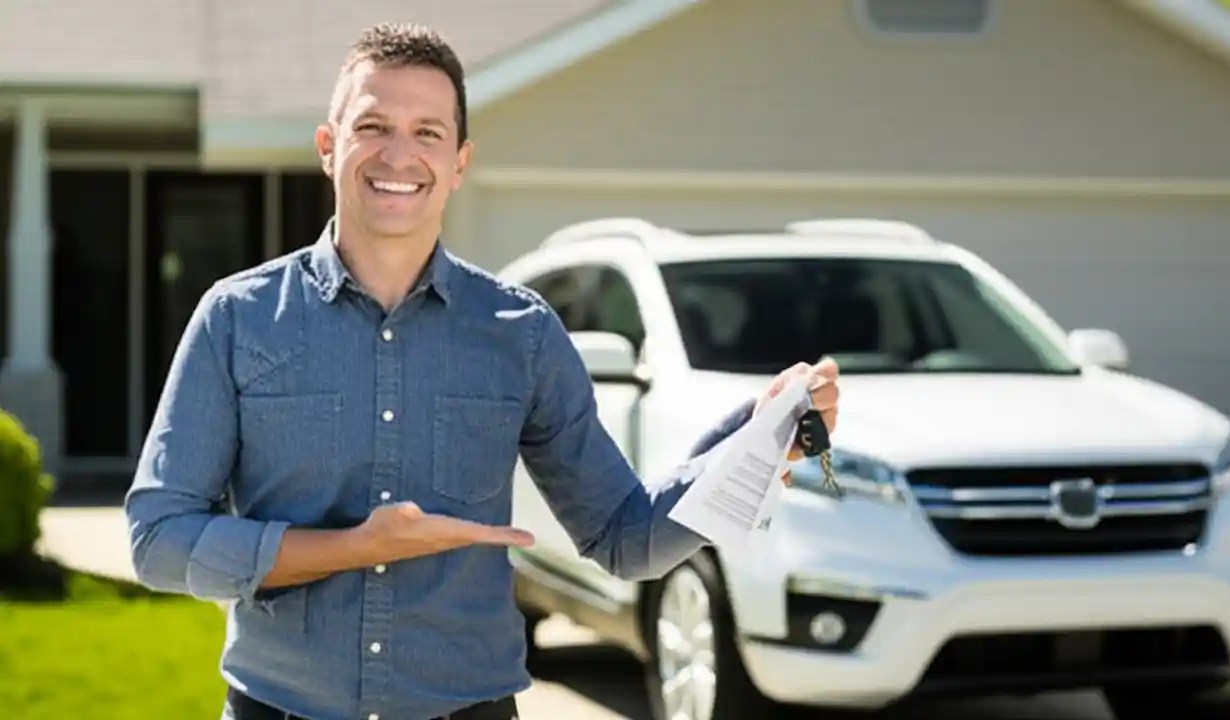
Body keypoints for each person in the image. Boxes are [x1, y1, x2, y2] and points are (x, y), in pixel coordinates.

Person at [124, 21, 839, 720]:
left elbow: (626, 537)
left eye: (427, 132)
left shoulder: (521, 336)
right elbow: (158, 539)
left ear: (460, 161)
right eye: (373, 126)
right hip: (279, 707)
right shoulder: (237, 318)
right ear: (327, 145)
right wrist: (351, 549)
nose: (399, 155)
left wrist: (759, 439)